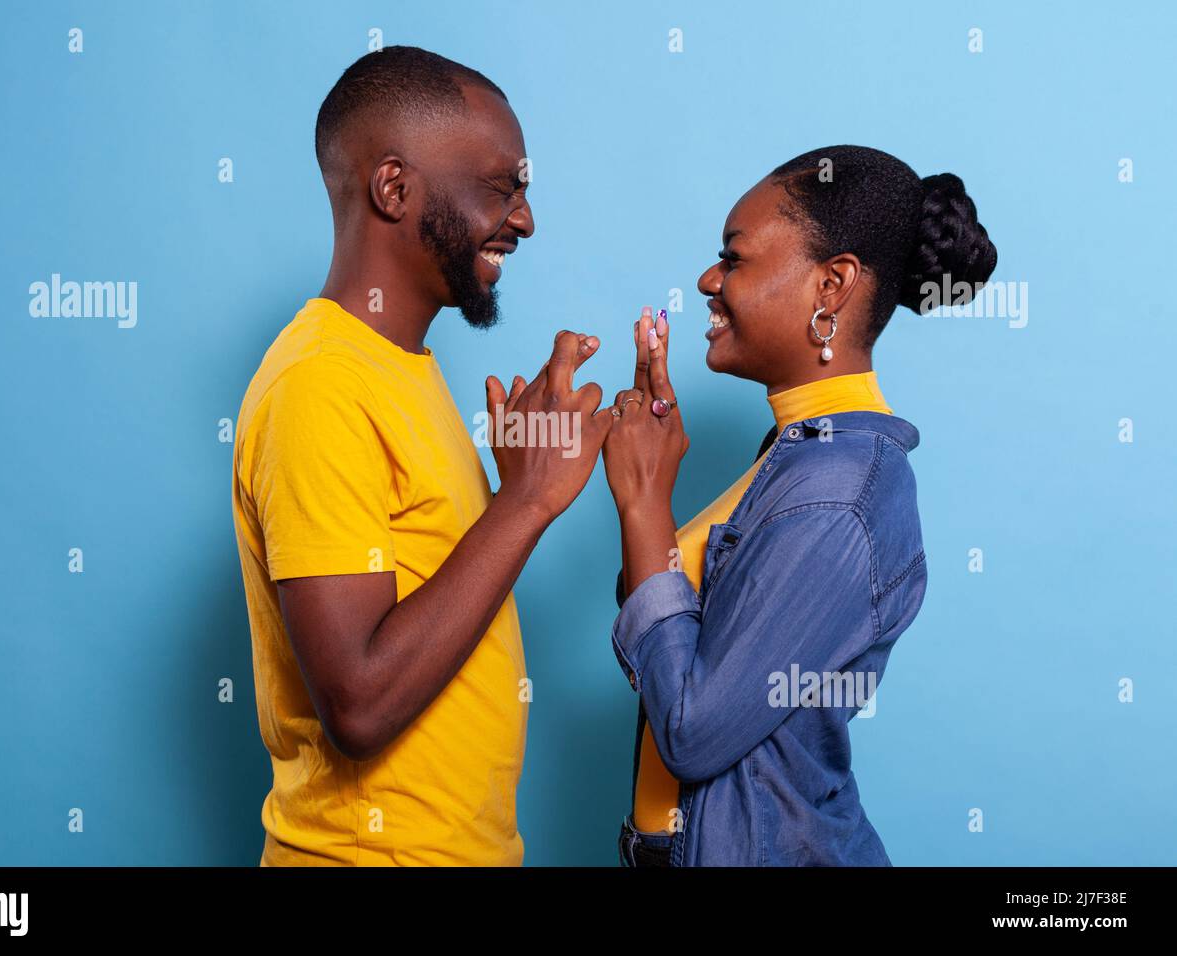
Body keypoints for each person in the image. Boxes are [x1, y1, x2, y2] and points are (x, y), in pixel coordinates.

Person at [231, 46, 610, 866]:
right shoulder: (319, 387)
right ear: (394, 188)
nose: (525, 218)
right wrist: (528, 502)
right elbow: (359, 706)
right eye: (501, 186)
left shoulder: (397, 367)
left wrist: (516, 482)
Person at [601, 145, 998, 866]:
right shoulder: (793, 451)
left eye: (735, 258)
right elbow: (678, 648)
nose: (708, 279)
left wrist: (644, 501)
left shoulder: (837, 494)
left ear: (832, 285)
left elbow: (691, 730)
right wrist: (652, 474)